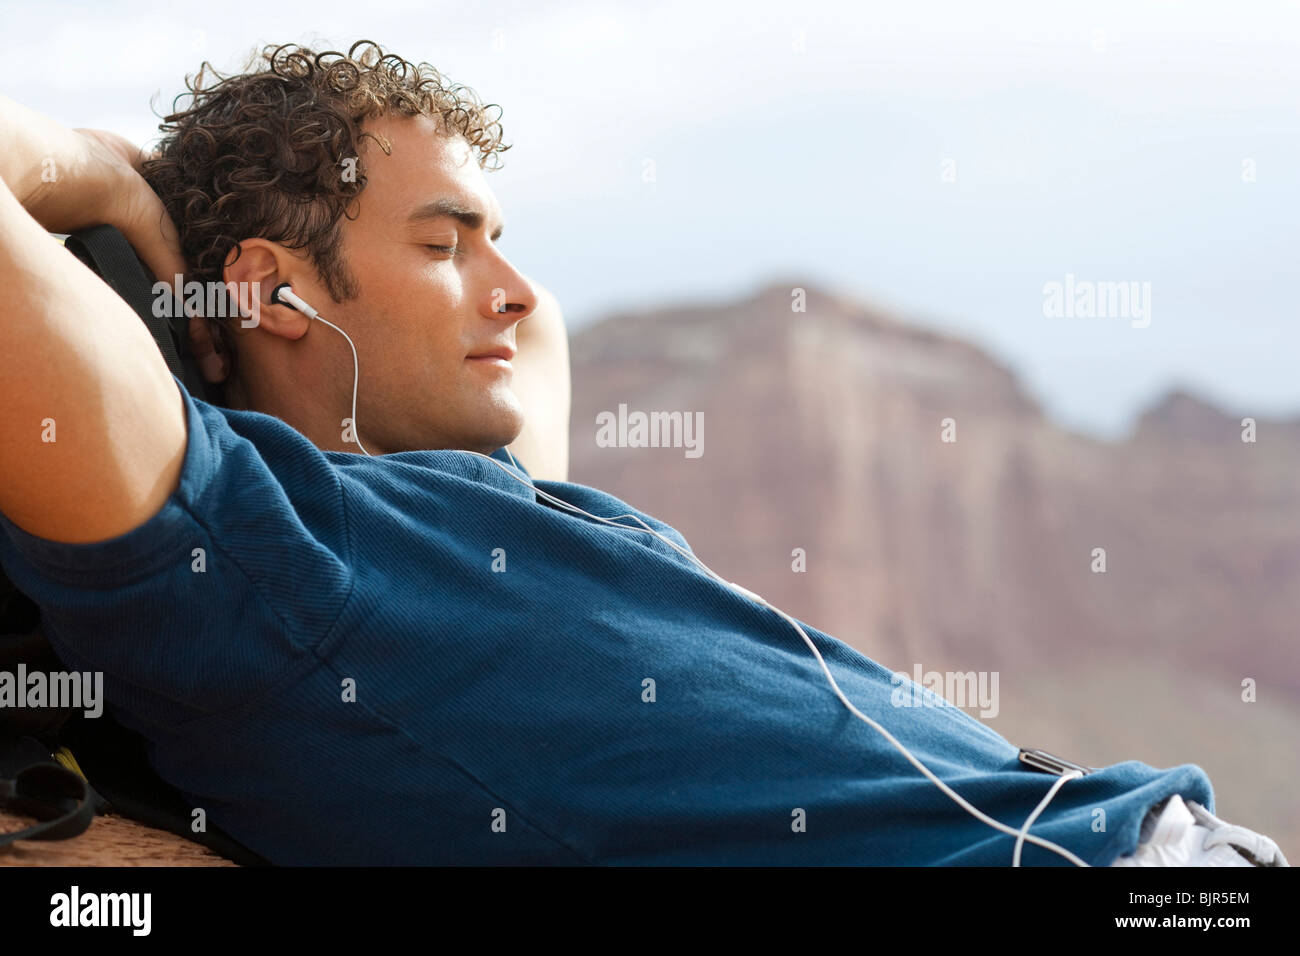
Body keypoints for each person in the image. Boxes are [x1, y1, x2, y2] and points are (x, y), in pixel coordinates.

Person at [0, 41, 1286, 867]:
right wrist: (113, 181)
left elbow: (541, 322)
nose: (510, 288)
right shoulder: (268, 558)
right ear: (273, 297)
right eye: (446, 247)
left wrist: (190, 186)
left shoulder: (497, 498)